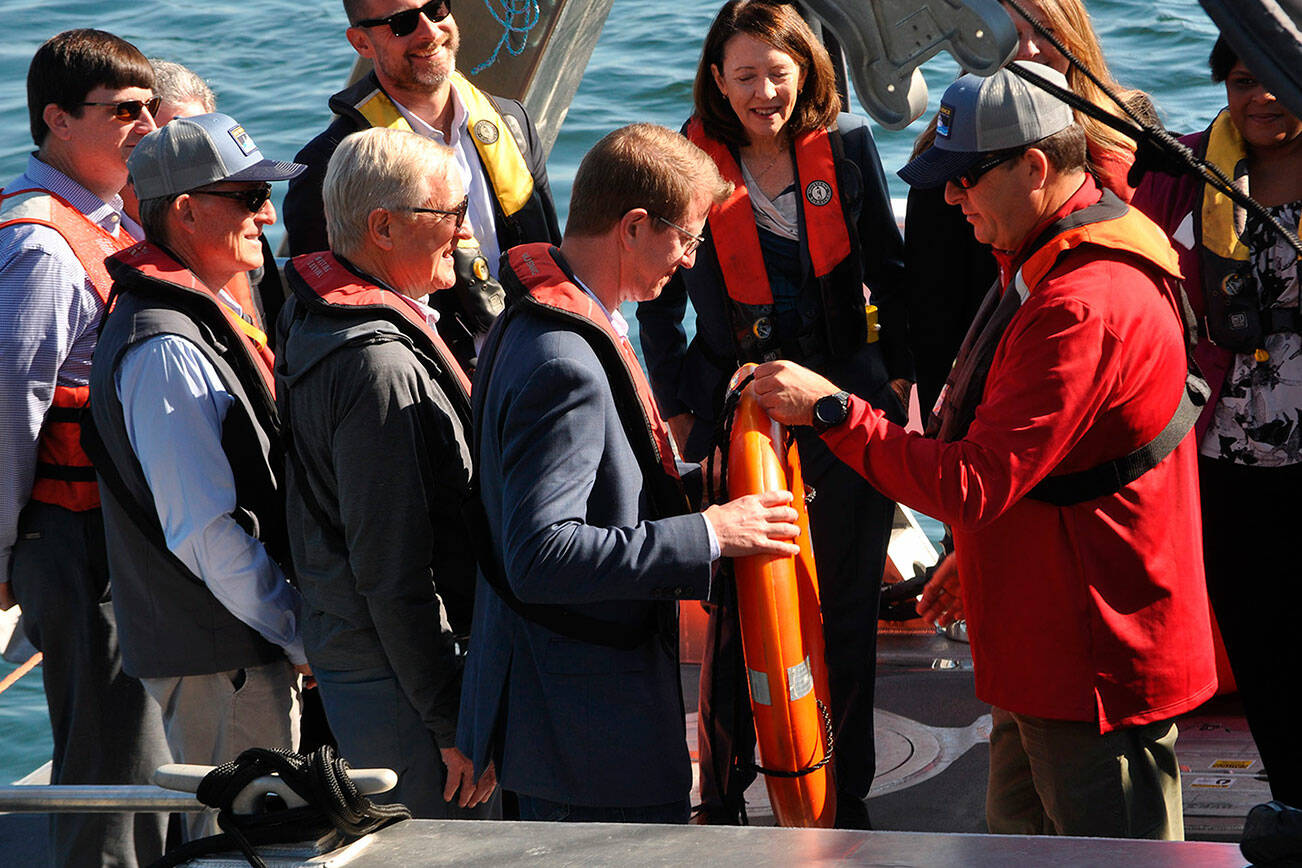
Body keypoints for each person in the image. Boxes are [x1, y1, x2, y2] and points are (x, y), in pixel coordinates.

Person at [751, 64, 1217, 840]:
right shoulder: (1050, 259)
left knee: (1114, 858)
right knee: (1011, 848)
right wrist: (978, 558)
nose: (951, 199)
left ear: (1036, 167)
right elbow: (1040, 462)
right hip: (1041, 651)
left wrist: (831, 410)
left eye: (965, 179)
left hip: (1090, 665)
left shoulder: (1080, 304)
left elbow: (973, 481)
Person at [457, 123, 803, 823]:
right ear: (635, 227)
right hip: (587, 733)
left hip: (550, 715)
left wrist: (693, 486)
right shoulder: (566, 362)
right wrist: (710, 532)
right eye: (688, 238)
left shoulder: (536, 322)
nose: (692, 258)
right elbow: (542, 554)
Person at [634, 0, 905, 827]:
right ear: (718, 79)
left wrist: (900, 392)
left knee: (848, 606)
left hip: (839, 407)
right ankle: (721, 800)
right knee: (731, 613)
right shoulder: (687, 158)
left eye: (777, 74)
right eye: (745, 75)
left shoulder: (850, 146)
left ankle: (844, 790)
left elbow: (892, 275)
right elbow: (657, 304)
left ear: (807, 72)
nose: (762, 92)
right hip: (735, 408)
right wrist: (680, 406)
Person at [86, 112, 309, 840]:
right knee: (243, 847)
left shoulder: (192, 317)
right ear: (185, 211)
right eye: (247, 197)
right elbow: (206, 529)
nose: (267, 213)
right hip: (227, 656)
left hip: (235, 648)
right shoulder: (165, 348)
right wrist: (299, 631)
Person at [276, 128, 496, 818]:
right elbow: (393, 567)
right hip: (399, 680)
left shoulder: (315, 319)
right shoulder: (379, 368)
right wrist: (450, 720)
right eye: (450, 216)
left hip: (368, 656)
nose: (464, 236)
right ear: (383, 227)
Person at [0, 29, 169, 867]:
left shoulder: (100, 224)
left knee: (135, 754)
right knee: (110, 764)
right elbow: (8, 412)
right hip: (69, 540)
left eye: (152, 108)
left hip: (109, 535)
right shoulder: (41, 245)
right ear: (58, 121)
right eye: (125, 111)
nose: (148, 125)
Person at [1133, 36, 1302, 809]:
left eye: (1276, 79)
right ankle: (1292, 790)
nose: (1261, 98)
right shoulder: (1185, 169)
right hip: (1224, 442)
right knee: (1252, 618)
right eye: (1241, 81)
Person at [905, 0, 1157, 422]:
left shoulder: (1132, 130)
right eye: (1008, 36)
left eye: (1044, 32)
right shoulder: (947, 167)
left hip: (1126, 371)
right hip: (1013, 390)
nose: (1029, 51)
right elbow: (935, 321)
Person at [283, 0, 561, 365]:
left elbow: (550, 248)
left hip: (536, 360)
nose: (429, 30)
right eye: (402, 23)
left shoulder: (512, 122)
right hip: (432, 381)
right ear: (361, 43)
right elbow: (329, 313)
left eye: (436, 9)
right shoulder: (328, 163)